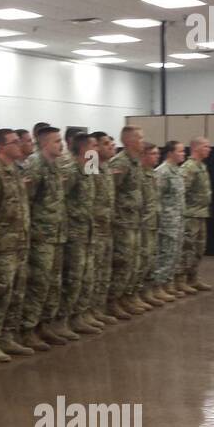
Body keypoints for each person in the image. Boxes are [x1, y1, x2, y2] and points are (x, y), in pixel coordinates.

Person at [0, 128, 33, 359]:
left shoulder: (15, 170)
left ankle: (7, 336)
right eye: (13, 142)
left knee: (16, 293)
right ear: (1, 147)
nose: (19, 145)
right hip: (2, 246)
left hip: (19, 242)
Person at [20, 126, 65, 350]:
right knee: (38, 284)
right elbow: (26, 202)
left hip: (56, 234)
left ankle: (44, 324)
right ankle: (28, 329)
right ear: (45, 143)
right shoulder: (35, 166)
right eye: (57, 141)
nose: (61, 145)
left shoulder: (54, 166)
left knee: (52, 284)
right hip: (40, 236)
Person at [62, 130, 100, 337]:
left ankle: (80, 315)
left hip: (88, 231)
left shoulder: (89, 168)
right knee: (74, 278)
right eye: (93, 146)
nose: (96, 149)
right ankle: (65, 320)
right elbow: (61, 200)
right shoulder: (71, 170)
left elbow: (91, 199)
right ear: (84, 149)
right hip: (74, 233)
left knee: (87, 277)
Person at [107, 126, 145, 319]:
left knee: (133, 262)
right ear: (129, 141)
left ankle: (126, 297)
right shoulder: (120, 162)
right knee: (122, 263)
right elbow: (111, 192)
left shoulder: (135, 162)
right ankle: (113, 301)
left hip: (134, 220)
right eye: (140, 138)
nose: (143, 141)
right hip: (122, 222)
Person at [86, 132, 118, 327]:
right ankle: (87, 311)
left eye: (111, 143)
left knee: (103, 272)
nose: (111, 147)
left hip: (107, 227)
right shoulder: (90, 165)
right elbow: (86, 197)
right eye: (105, 144)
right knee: (93, 273)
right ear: (95, 147)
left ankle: (98, 309)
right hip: (94, 229)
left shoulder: (106, 167)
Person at [153, 141, 188, 302]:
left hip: (178, 219)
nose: (183, 154)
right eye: (180, 151)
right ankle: (157, 287)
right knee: (165, 254)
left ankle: (168, 283)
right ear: (170, 153)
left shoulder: (178, 171)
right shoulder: (162, 172)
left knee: (174, 254)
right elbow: (157, 198)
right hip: (167, 221)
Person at [179, 137, 214, 292]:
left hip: (201, 213)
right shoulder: (189, 167)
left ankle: (193, 278)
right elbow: (181, 191)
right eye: (206, 146)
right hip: (190, 215)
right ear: (196, 148)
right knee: (187, 248)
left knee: (199, 248)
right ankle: (181, 280)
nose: (209, 149)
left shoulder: (201, 166)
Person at [136, 142, 163, 310]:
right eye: (153, 154)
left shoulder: (152, 174)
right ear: (144, 155)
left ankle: (146, 292)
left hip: (153, 222)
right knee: (141, 262)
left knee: (151, 260)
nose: (157, 157)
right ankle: (136, 294)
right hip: (141, 224)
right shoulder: (138, 174)